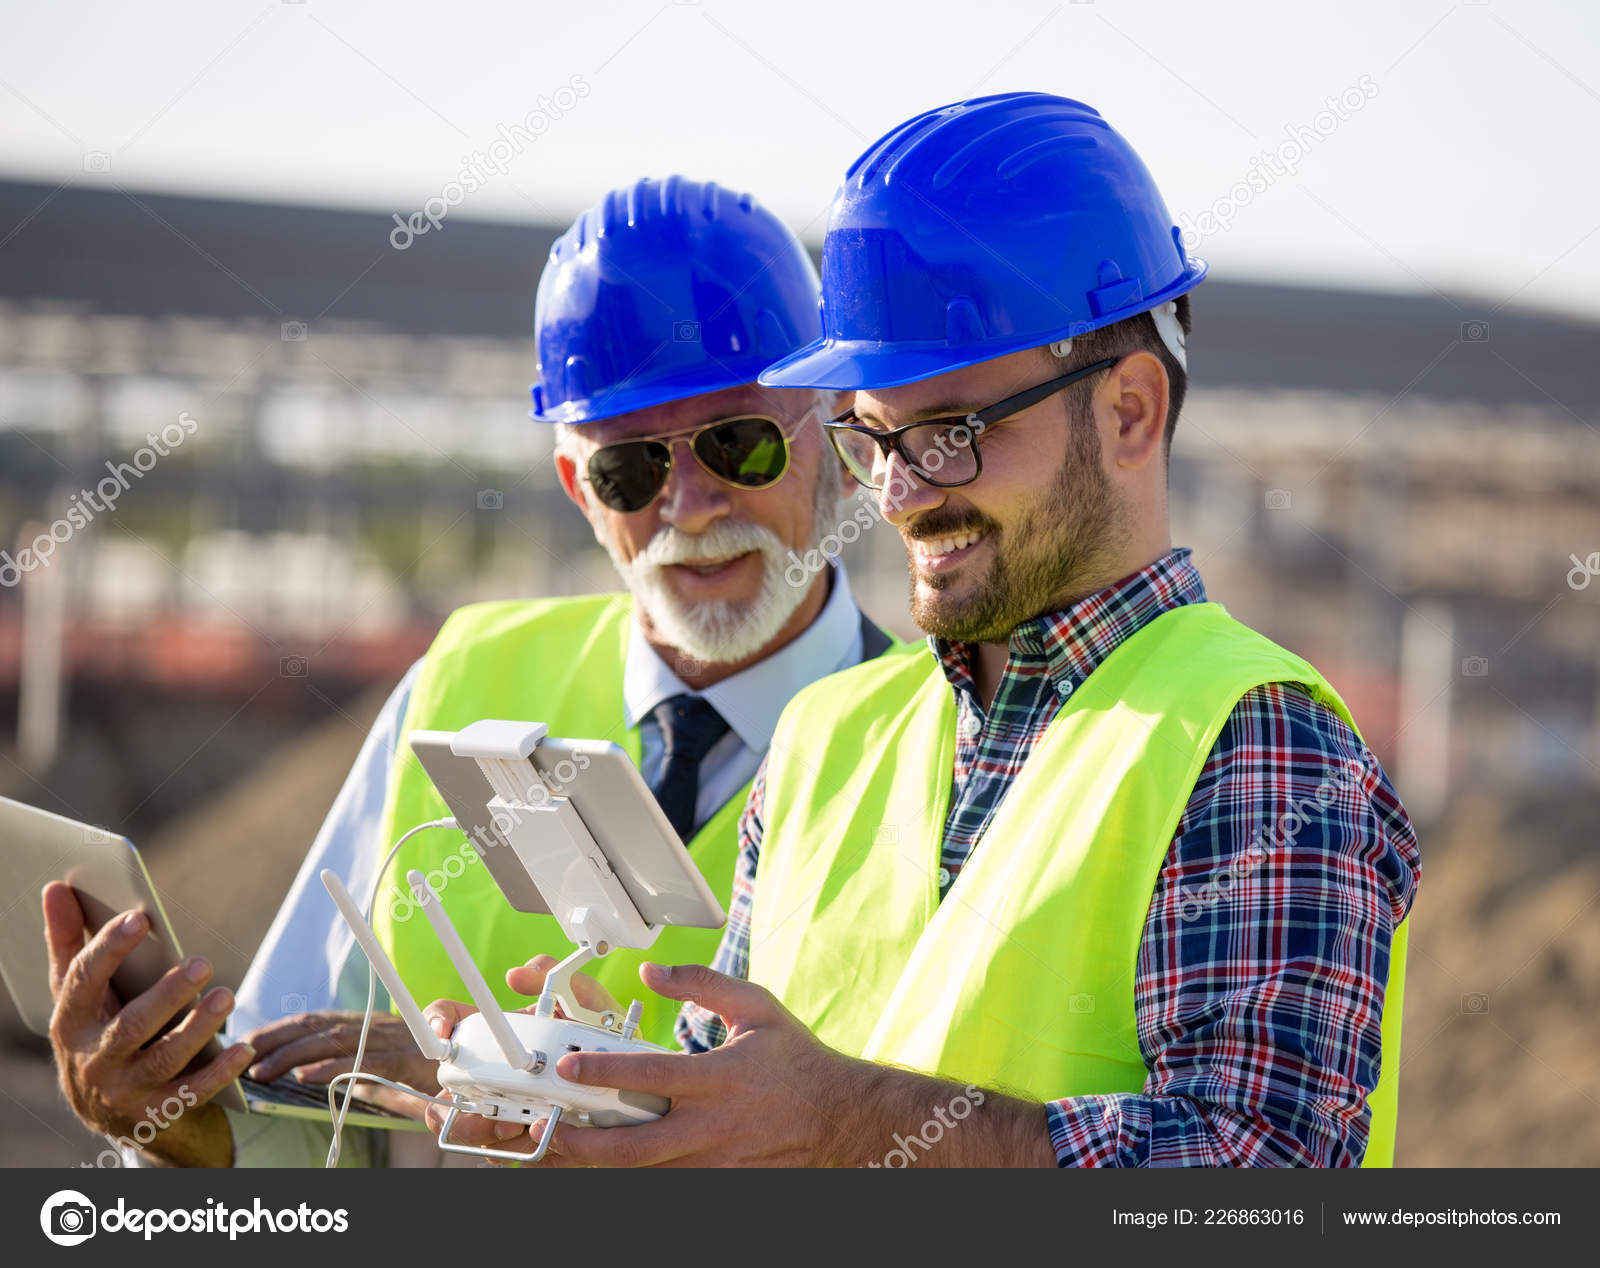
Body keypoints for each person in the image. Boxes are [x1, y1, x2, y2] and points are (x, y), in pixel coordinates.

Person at [428, 93, 1420, 1168]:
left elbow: (1264, 1169)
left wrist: (851, 1124)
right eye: (870, 435)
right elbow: (746, 1119)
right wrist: (595, 1094)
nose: (898, 491)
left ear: (1129, 411)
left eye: (950, 430)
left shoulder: (1252, 741)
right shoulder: (823, 738)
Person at [41, 175, 891, 1167]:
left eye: (737, 444)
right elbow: (302, 1106)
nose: (692, 505)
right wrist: (173, 1123)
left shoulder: (938, 740)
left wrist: (490, 1064)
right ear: (578, 485)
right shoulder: (459, 682)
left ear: (837, 440)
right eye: (632, 470)